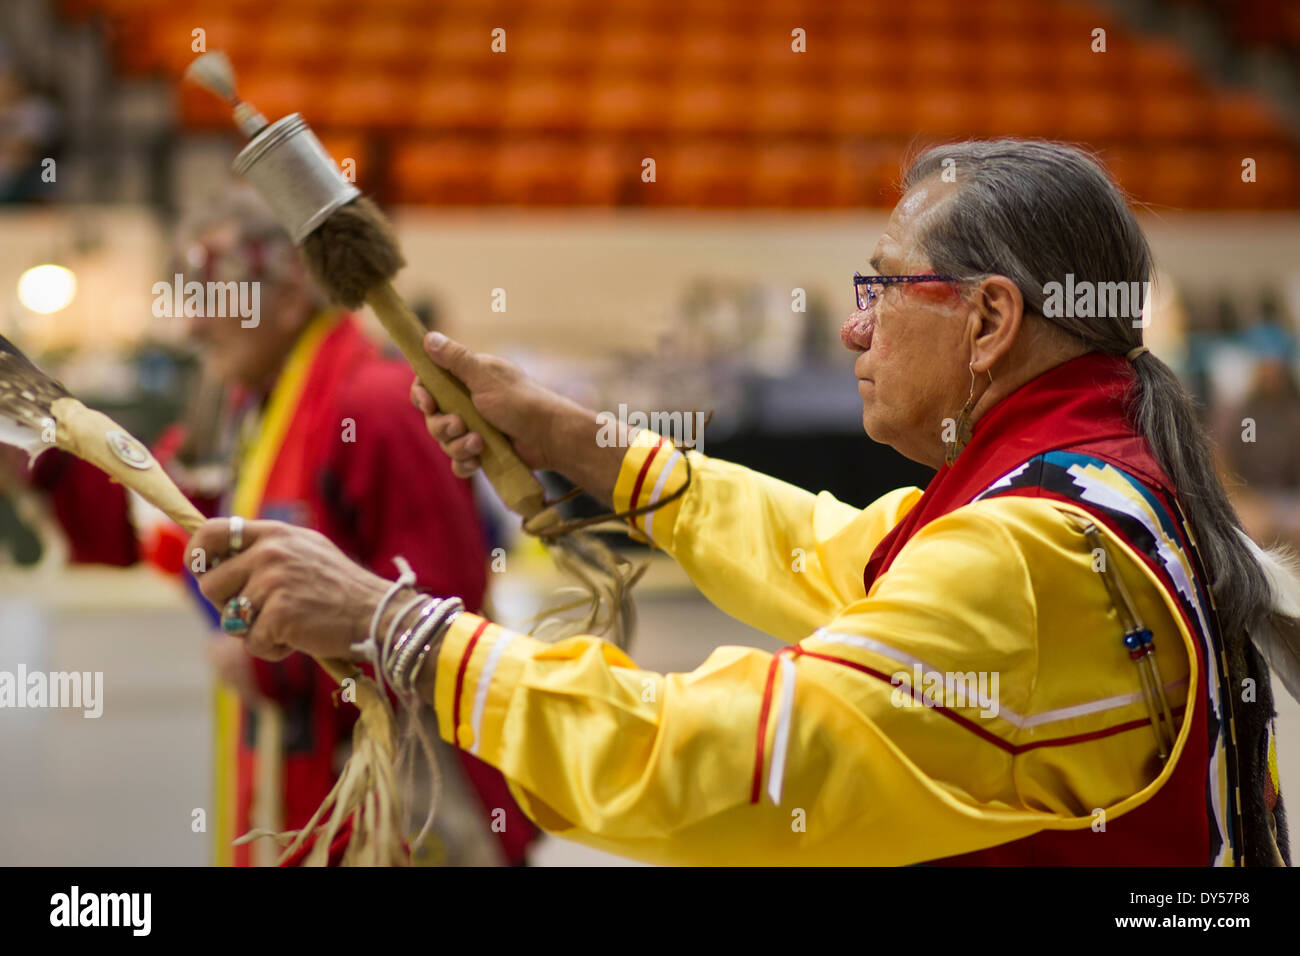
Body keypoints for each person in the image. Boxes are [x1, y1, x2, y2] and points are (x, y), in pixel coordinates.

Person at [188, 140, 1296, 866]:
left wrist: (398, 627)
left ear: (989, 319)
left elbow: (719, 755)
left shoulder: (1026, 549)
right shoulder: (1093, 476)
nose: (855, 328)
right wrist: (590, 446)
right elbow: (835, 551)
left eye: (882, 287)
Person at [176, 186, 535, 866]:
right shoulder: (260, 410)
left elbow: (442, 615)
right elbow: (167, 523)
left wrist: (279, 669)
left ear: (285, 298)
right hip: (319, 785)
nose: (190, 324)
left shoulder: (373, 405)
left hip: (401, 807)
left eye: (210, 294)